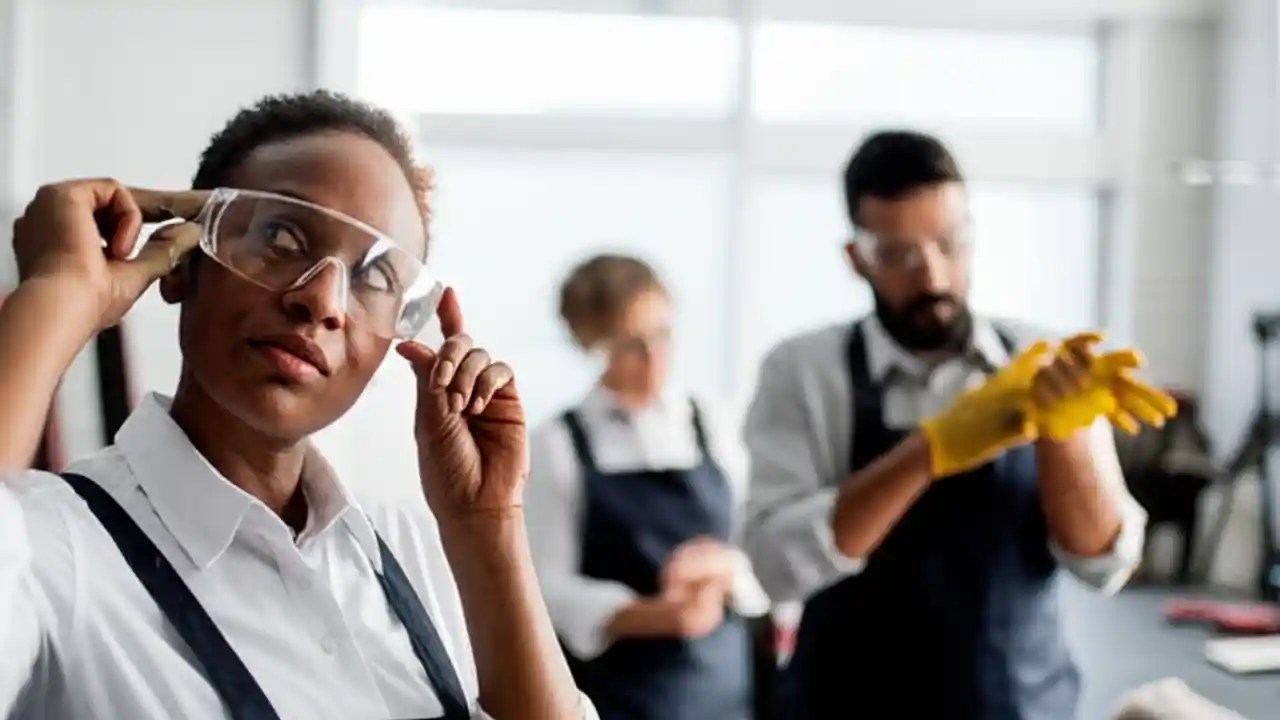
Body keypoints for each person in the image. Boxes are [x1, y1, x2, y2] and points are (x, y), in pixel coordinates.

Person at [0, 91, 594, 719]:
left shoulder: (415, 551)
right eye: (283, 235)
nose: (324, 302)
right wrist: (57, 295)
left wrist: (488, 526)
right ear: (179, 265)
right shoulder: (55, 546)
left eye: (375, 276)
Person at [741, 130, 1178, 720]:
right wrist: (932, 449)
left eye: (950, 243)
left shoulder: (1048, 361)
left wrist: (1065, 435)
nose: (934, 277)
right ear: (857, 258)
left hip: (1017, 704)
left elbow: (1103, 564)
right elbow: (774, 567)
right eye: (900, 254)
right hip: (843, 704)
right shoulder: (803, 371)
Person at [525, 254, 769, 719]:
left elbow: (764, 550)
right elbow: (546, 586)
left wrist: (725, 567)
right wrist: (654, 615)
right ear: (591, 346)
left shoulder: (714, 423)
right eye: (631, 344)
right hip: (622, 696)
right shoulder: (558, 444)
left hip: (727, 693)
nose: (654, 356)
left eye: (662, 334)